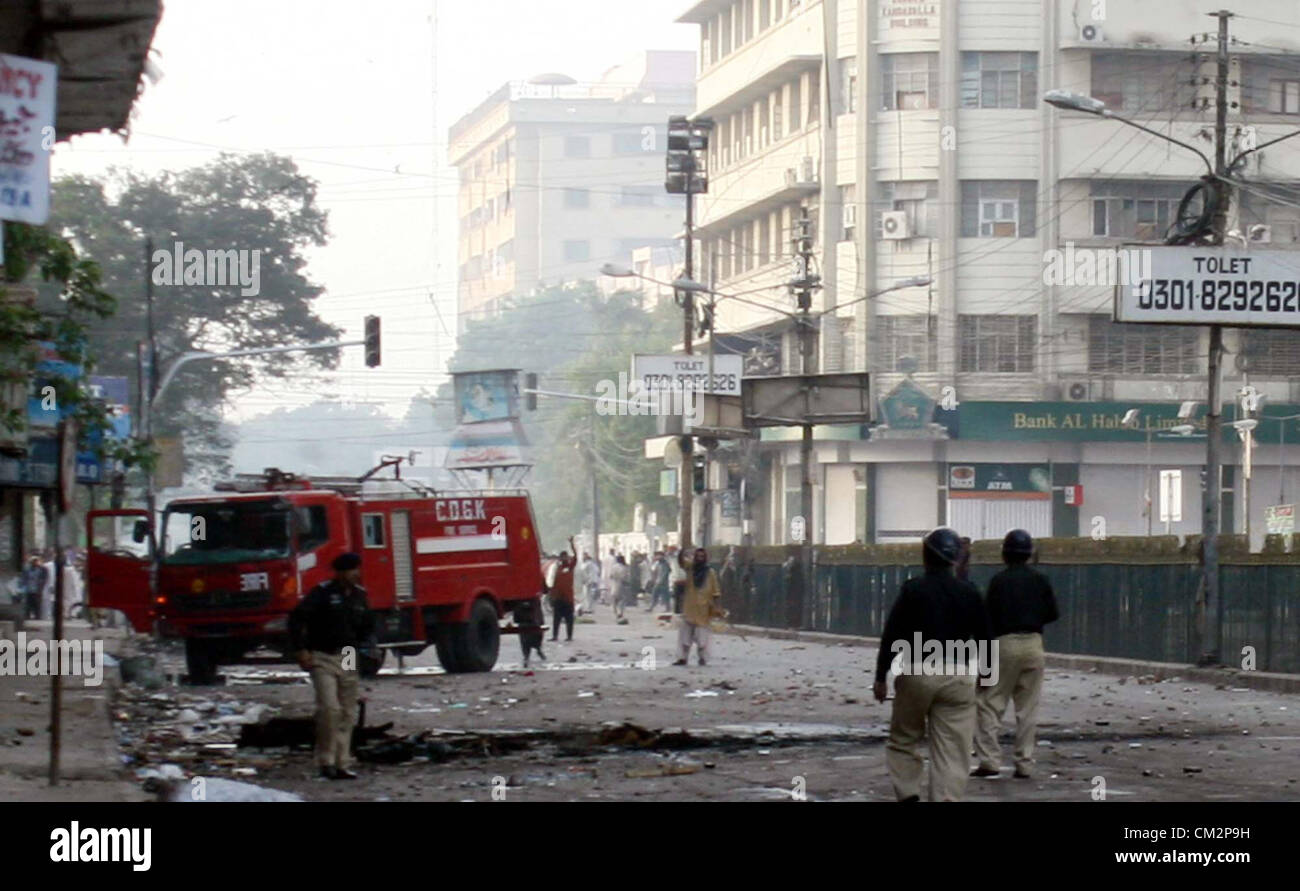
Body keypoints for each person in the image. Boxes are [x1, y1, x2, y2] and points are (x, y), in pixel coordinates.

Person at [873, 527, 991, 802]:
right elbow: (986, 635)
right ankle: (945, 798)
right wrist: (987, 672)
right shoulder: (970, 591)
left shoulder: (913, 590)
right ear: (954, 560)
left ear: (925, 557)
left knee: (904, 738)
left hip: (918, 673)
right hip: (958, 676)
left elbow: (892, 634)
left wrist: (881, 677)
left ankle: (908, 793)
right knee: (952, 747)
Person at [972, 529, 1060, 780]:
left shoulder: (998, 582)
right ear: (1030, 554)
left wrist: (985, 665)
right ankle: (1024, 763)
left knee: (989, 703)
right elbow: (1052, 613)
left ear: (1005, 554)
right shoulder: (1041, 580)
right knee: (1027, 709)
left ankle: (990, 761)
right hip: (1034, 644)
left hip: (1004, 645)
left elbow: (987, 623)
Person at [288, 552, 375, 781]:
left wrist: (368, 649)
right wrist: (300, 649)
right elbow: (297, 619)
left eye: (357, 569)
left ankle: (342, 763)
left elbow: (367, 626)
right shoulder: (322, 593)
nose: (355, 574)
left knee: (347, 711)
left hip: (347, 654)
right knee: (329, 709)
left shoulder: (359, 596)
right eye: (350, 570)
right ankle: (325, 761)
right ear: (339, 573)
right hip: (322, 654)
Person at [675, 548, 721, 666]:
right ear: (695, 557)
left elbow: (716, 592)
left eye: (702, 557)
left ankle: (703, 659)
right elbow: (680, 562)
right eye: (698, 556)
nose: (700, 559)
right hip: (689, 608)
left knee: (702, 639)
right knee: (684, 637)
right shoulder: (690, 568)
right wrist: (682, 551)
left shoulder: (710, 572)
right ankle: (682, 658)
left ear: (705, 558)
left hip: (704, 609)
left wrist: (717, 607)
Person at [550, 541, 576, 642]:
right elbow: (554, 583)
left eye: (565, 557)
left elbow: (575, 556)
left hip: (568, 598)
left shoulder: (570, 567)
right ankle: (555, 636)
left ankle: (569, 636)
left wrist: (572, 544)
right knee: (556, 619)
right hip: (558, 598)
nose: (564, 558)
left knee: (569, 619)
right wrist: (552, 596)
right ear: (560, 559)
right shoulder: (558, 569)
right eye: (562, 557)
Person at [515, 599, 546, 666]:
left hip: (530, 619)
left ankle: (531, 654)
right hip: (527, 619)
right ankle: (528, 655)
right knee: (527, 638)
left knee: (530, 637)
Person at [19, 554, 48, 621]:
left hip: (37, 590)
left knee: (37, 605)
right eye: (33, 561)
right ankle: (27, 618)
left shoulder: (42, 569)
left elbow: (44, 579)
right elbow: (23, 578)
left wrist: (41, 586)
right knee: (28, 605)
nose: (35, 562)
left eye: (36, 561)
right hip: (28, 590)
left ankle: (37, 618)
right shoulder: (27, 569)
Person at [610, 554, 630, 623]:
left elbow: (611, 575)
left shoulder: (613, 567)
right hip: (621, 585)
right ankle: (620, 612)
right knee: (622, 600)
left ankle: (615, 612)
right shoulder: (624, 567)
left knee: (614, 600)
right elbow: (625, 577)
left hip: (614, 584)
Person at [668, 546, 687, 614]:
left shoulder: (683, 559)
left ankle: (682, 611)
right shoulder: (672, 559)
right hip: (677, 581)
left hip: (684, 581)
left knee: (683, 597)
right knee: (677, 597)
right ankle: (677, 611)